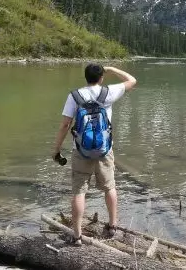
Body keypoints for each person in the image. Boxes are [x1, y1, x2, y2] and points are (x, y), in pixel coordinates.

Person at [53, 64, 137, 246]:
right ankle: (113, 226)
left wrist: (56, 149)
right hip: (104, 150)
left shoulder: (74, 96)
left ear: (85, 77)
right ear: (101, 78)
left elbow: (65, 125)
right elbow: (132, 81)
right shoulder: (109, 92)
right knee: (109, 187)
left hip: (80, 151)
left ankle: (76, 236)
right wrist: (113, 68)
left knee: (78, 192)